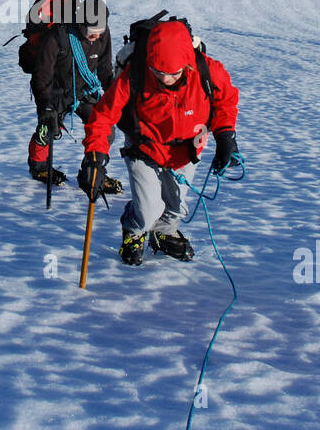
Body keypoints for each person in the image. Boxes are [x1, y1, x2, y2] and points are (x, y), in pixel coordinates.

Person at [78, 16, 240, 265]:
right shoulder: (136, 74)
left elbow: (226, 100)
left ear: (186, 64)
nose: (164, 79)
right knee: (148, 210)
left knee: (177, 208)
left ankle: (163, 234)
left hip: (186, 152)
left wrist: (225, 135)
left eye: (172, 73)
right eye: (158, 72)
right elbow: (102, 116)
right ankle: (134, 231)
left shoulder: (208, 70)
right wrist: (95, 157)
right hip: (144, 149)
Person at [27, 0, 122, 194]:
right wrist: (45, 106)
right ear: (80, 24)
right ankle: (39, 167)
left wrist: (115, 96)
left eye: (100, 31)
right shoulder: (57, 36)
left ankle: (92, 172)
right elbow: (41, 76)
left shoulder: (103, 34)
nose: (96, 36)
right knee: (48, 130)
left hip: (84, 90)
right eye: (91, 32)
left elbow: (104, 69)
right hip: (54, 92)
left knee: (104, 130)